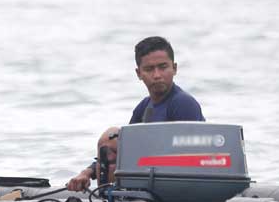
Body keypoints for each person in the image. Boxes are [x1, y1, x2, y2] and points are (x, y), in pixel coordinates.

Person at [66, 36, 205, 191]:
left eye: (163, 67)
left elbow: (192, 158)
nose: (157, 75)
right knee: (111, 138)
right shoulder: (144, 106)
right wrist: (86, 172)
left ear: (175, 68)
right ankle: (106, 198)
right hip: (148, 178)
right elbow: (122, 149)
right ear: (139, 73)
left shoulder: (182, 103)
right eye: (149, 69)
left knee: (111, 135)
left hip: (178, 186)